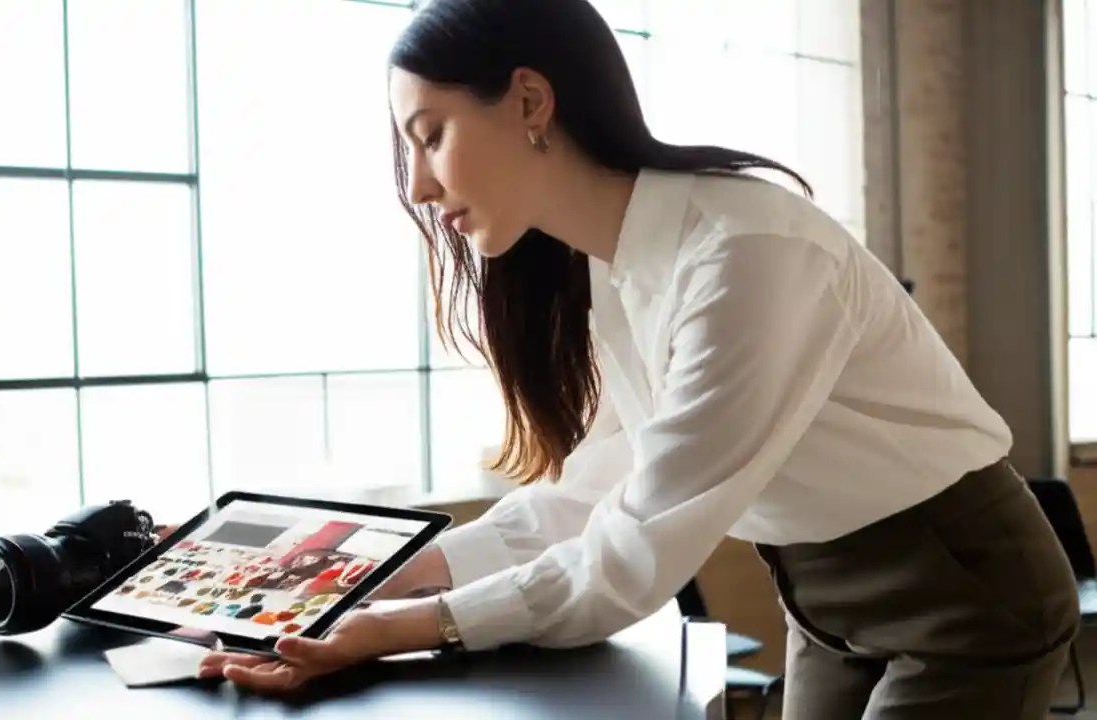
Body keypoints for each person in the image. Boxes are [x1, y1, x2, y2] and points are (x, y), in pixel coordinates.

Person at [196, 1, 1081, 717]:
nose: (420, 186)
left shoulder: (745, 254)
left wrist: (397, 627)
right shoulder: (617, 266)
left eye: (430, 134)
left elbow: (631, 557)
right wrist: (356, 581)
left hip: (964, 585)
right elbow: (591, 495)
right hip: (822, 598)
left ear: (532, 102)